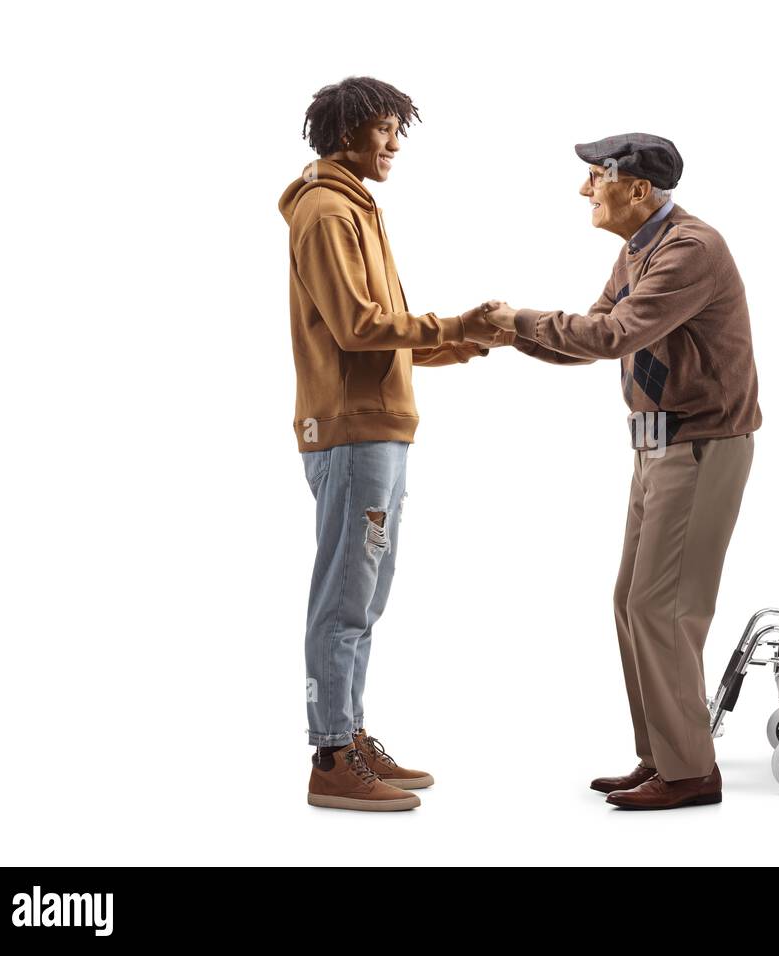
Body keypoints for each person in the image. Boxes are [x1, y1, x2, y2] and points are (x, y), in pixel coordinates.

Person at [483, 133, 761, 810]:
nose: (585, 190)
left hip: (700, 446)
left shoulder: (691, 249)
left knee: (662, 607)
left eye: (594, 178)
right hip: (656, 446)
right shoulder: (638, 251)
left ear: (638, 189)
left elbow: (613, 335)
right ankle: (662, 756)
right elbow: (593, 337)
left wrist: (518, 318)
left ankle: (691, 772)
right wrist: (511, 333)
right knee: (630, 603)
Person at [279, 76, 503, 812]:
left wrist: (464, 340)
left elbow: (381, 333)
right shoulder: (325, 212)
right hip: (351, 433)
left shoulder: (356, 207)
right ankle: (331, 754)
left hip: (377, 430)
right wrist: (452, 324)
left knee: (365, 598)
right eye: (384, 129)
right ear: (346, 133)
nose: (395, 143)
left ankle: (351, 732)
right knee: (344, 598)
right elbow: (357, 328)